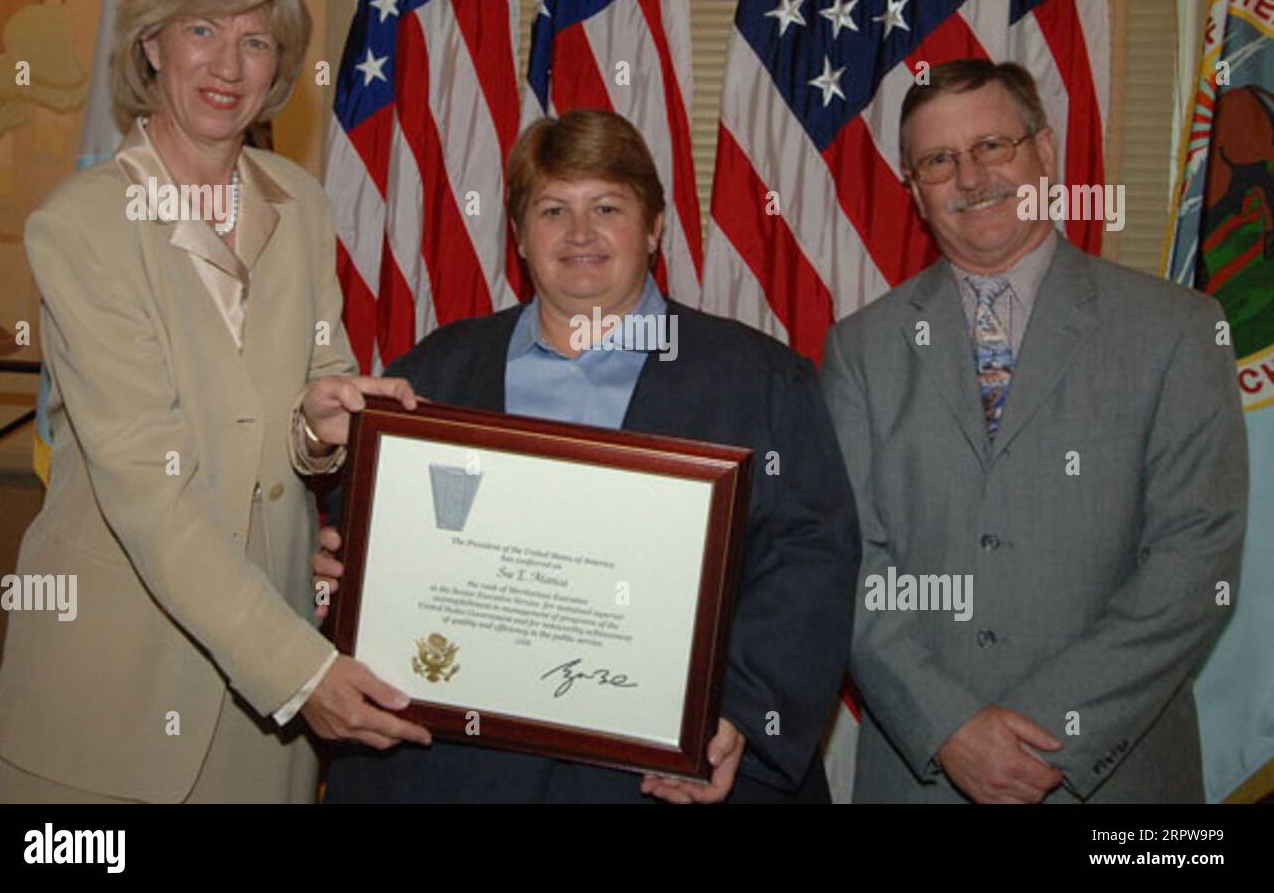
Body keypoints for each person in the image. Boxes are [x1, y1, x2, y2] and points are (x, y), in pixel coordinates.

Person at [0, 0, 422, 804]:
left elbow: (313, 378)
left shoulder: (298, 202)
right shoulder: (81, 229)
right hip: (111, 706)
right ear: (151, 43)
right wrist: (304, 672)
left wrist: (317, 422)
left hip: (262, 721)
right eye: (201, 30)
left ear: (279, 65)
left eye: (256, 40)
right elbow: (149, 487)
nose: (229, 64)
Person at [311, 109, 860, 803]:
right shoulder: (431, 375)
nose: (579, 234)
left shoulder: (762, 381)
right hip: (453, 772)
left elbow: (810, 561)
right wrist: (337, 562)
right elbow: (349, 534)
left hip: (660, 778)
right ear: (518, 234)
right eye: (552, 210)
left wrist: (744, 716)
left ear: (654, 227)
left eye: (607, 207)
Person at [822, 59, 1248, 803]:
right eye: (939, 159)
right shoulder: (860, 349)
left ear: (1045, 154)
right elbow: (844, 560)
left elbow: (1196, 558)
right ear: (914, 189)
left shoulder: (1178, 329)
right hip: (922, 773)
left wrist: (1056, 727)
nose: (972, 175)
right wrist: (949, 725)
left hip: (1117, 779)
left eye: (994, 145)